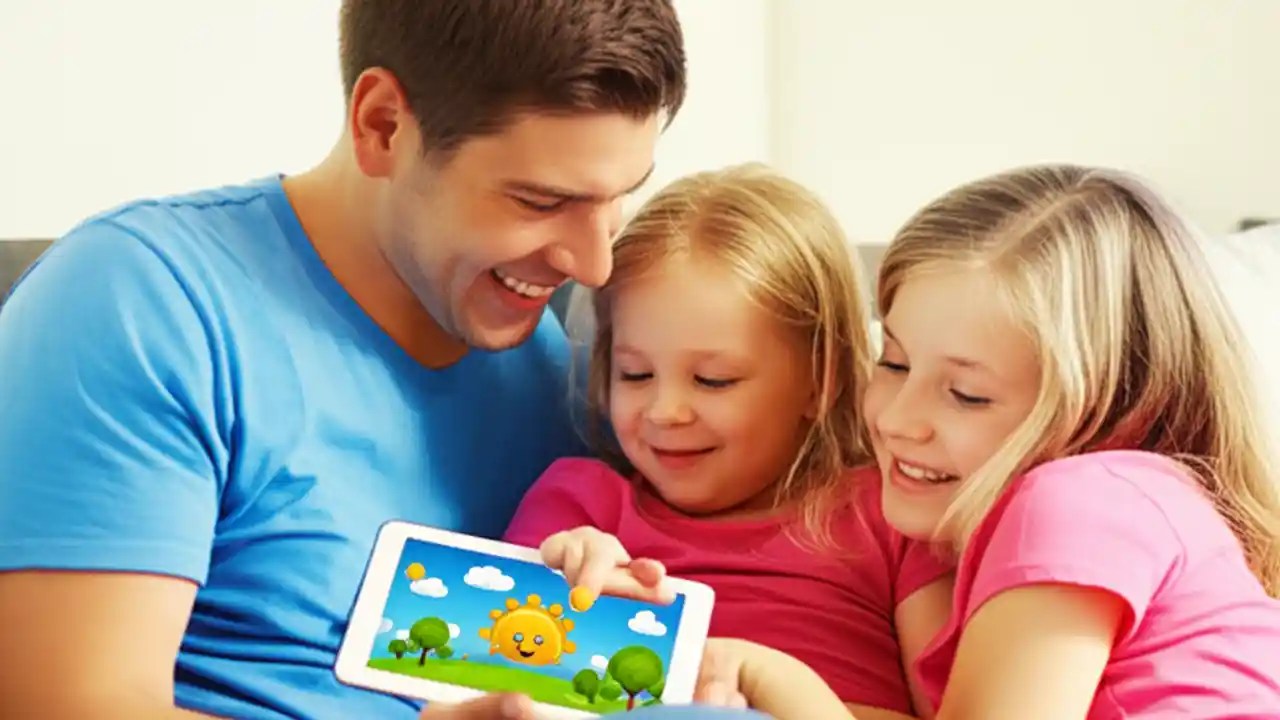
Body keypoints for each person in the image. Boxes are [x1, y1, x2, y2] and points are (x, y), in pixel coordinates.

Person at [0, 2, 688, 719]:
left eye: (619, 200)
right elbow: (64, 703)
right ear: (383, 125)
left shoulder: (562, 374)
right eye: (541, 201)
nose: (594, 264)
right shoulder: (143, 301)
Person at [697, 164, 1280, 719]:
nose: (899, 419)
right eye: (894, 363)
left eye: (967, 394)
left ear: (1108, 402)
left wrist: (770, 677)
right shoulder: (1137, 505)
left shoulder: (1078, 499)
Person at [501, 164, 955, 720]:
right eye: (635, 375)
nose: (665, 412)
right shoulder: (583, 504)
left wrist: (773, 682)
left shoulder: (894, 512)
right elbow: (496, 675)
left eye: (714, 381)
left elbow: (959, 711)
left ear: (821, 379)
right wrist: (556, 578)